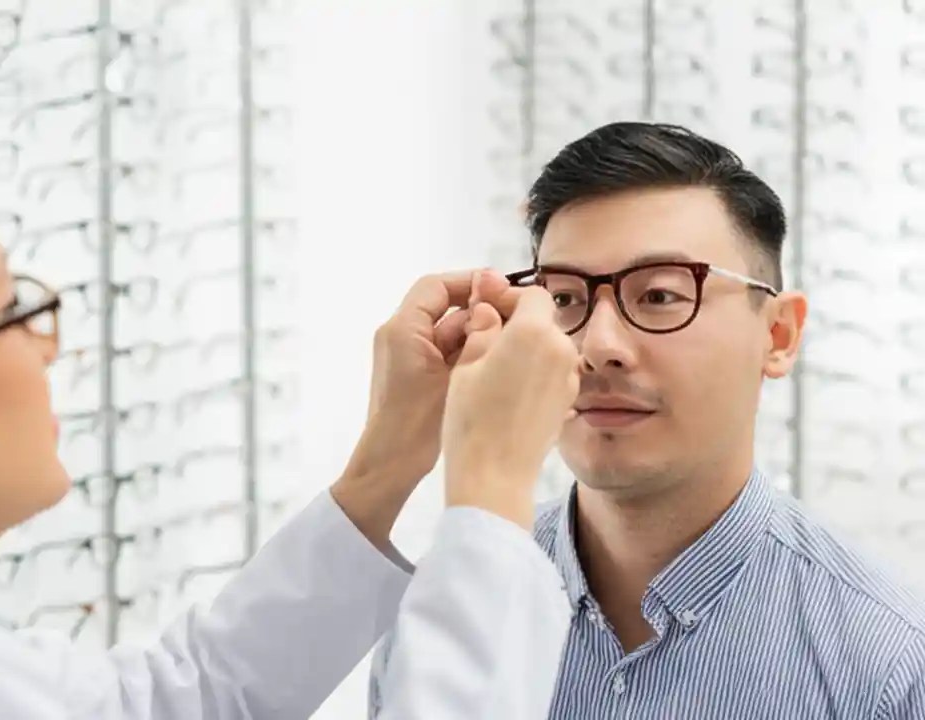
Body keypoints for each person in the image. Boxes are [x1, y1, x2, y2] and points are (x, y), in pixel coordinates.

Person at [0, 113, 580, 720]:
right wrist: (491, 489)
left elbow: (173, 702)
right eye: (11, 309)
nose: (52, 347)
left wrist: (388, 463)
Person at [370, 122, 925, 718]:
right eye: (563, 298)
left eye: (659, 295)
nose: (599, 344)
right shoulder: (440, 612)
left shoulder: (889, 663)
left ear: (777, 334)